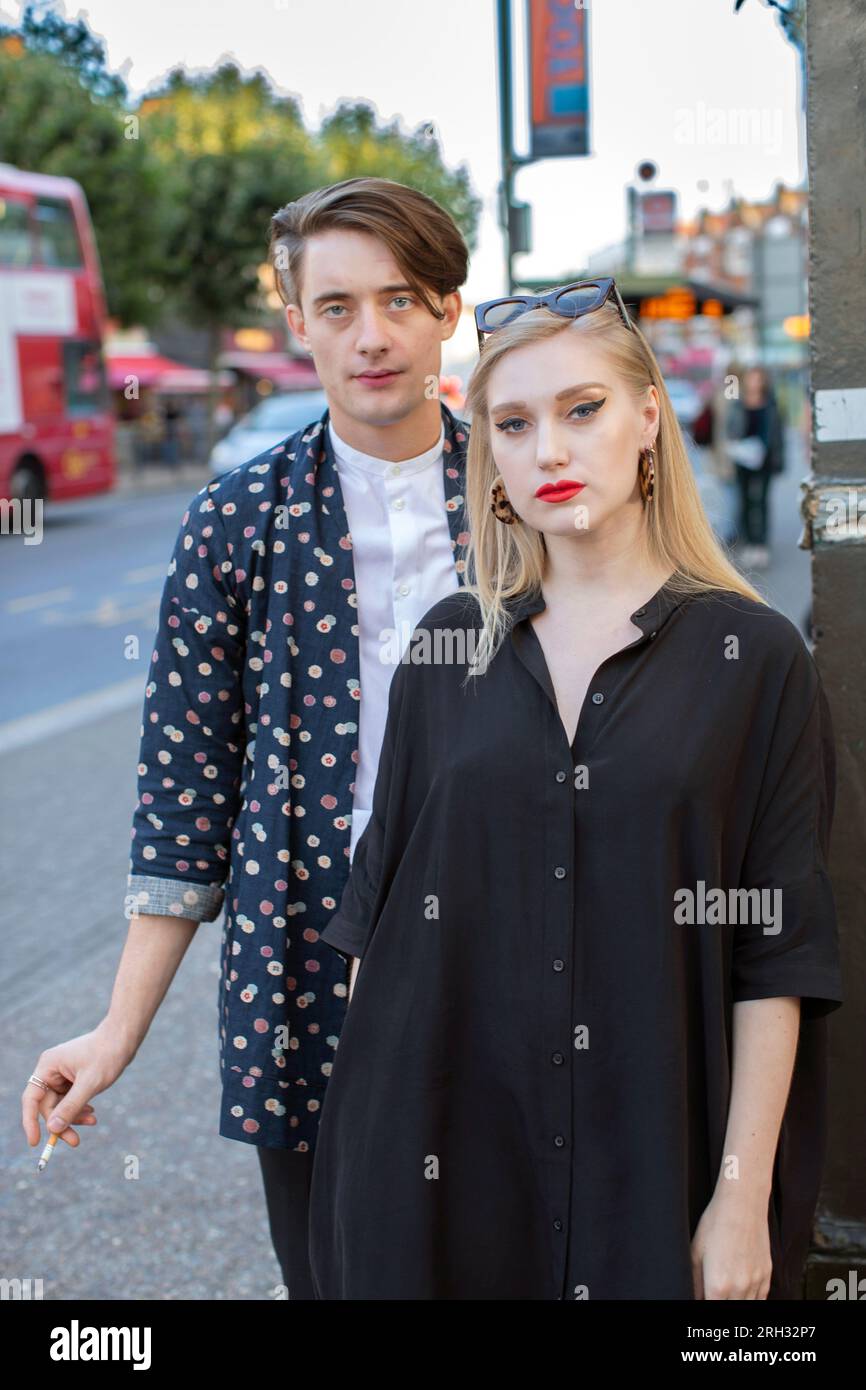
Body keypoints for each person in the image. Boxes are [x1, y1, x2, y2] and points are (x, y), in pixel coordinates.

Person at [309, 280, 843, 1300]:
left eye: (580, 409)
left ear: (648, 419)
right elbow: (379, 933)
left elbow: (776, 954)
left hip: (653, 1167)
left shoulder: (753, 656)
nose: (547, 449)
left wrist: (738, 1197)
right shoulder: (446, 647)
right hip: (446, 1173)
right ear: (490, 458)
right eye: (512, 423)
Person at [19, 177, 472, 1300]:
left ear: (448, 311)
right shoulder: (234, 521)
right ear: (295, 319)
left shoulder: (522, 496)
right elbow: (184, 792)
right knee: (331, 1277)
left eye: (401, 299)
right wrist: (117, 1029)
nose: (371, 336)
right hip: (307, 973)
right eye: (335, 307)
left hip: (510, 951)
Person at [726, 365, 785, 570]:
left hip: (765, 461)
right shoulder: (738, 403)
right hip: (743, 459)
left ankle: (761, 544)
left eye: (758, 379)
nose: (754, 383)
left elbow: (778, 435)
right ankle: (748, 542)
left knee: (761, 501)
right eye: (751, 378)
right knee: (744, 501)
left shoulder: (771, 404)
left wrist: (778, 460)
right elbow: (731, 428)